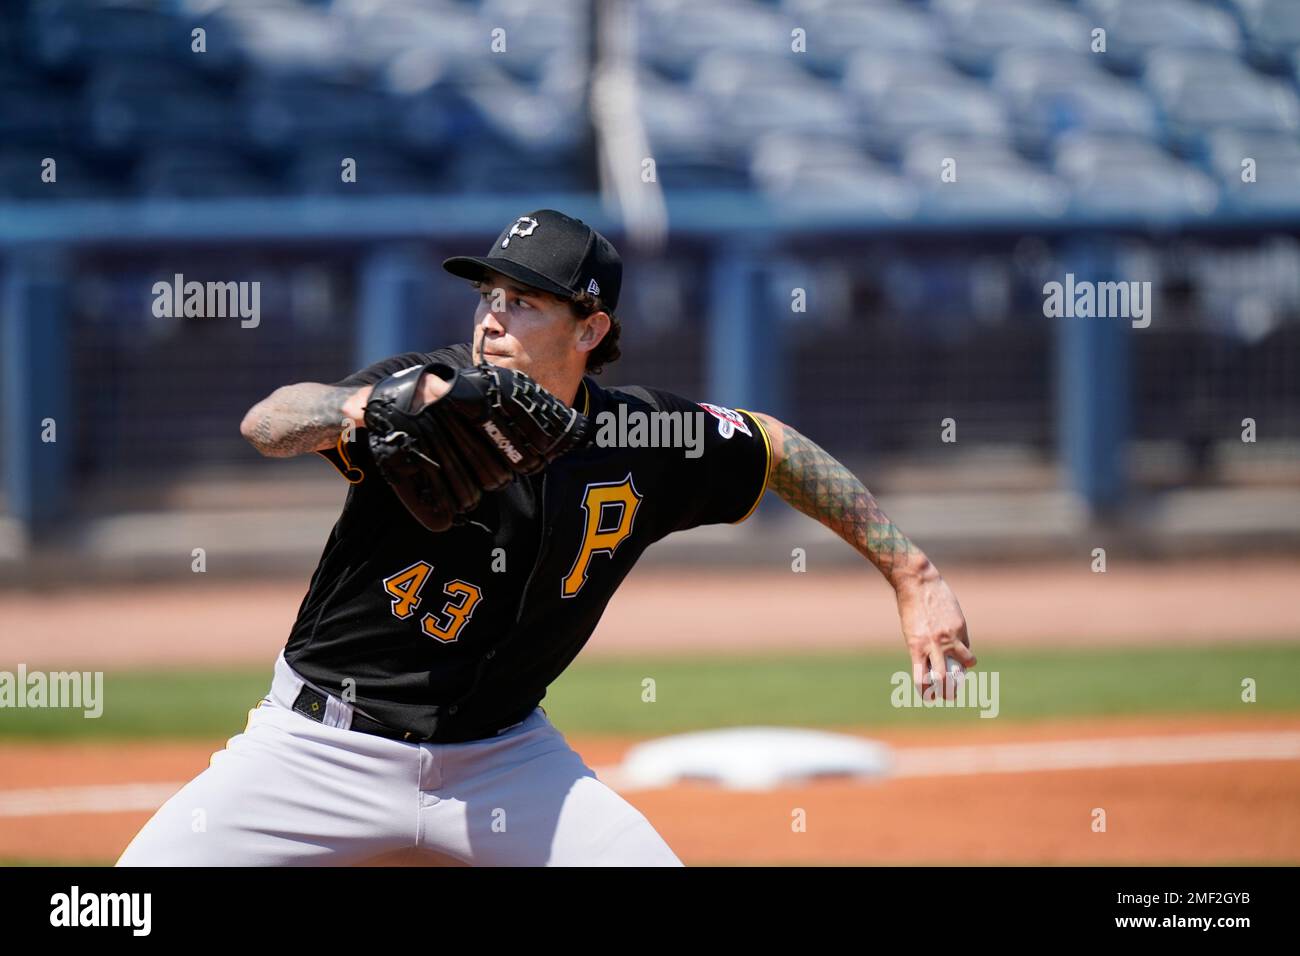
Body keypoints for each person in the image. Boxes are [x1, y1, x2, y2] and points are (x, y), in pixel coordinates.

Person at [116, 209, 973, 867]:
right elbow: (267, 422)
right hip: (317, 747)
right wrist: (361, 407)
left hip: (502, 759)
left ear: (590, 329)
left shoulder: (645, 438)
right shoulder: (426, 394)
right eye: (488, 296)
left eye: (521, 302)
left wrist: (911, 570)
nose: (492, 317)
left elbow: (774, 446)